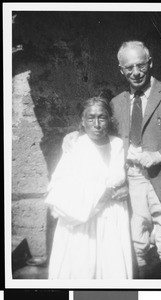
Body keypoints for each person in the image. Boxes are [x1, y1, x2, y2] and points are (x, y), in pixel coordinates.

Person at [63, 41, 161, 280]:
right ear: (121, 70)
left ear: (150, 63)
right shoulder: (117, 103)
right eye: (129, 68)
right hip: (133, 183)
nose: (136, 73)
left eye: (141, 65)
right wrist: (76, 133)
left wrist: (159, 155)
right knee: (137, 247)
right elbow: (101, 127)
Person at [45, 96, 133, 279]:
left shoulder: (118, 145)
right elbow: (58, 186)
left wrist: (128, 189)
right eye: (91, 118)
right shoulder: (75, 145)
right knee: (83, 269)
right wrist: (99, 193)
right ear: (82, 121)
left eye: (102, 117)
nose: (97, 124)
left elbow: (131, 175)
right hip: (82, 222)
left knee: (112, 269)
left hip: (113, 219)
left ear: (109, 120)